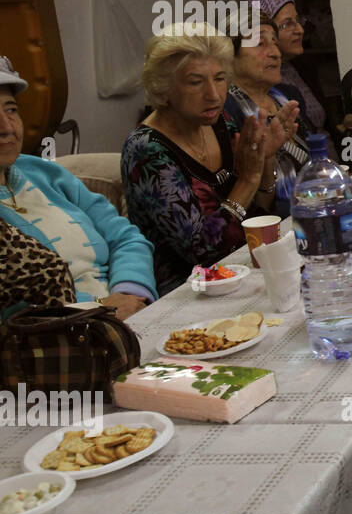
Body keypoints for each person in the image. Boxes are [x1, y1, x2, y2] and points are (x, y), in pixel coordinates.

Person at [122, 24, 293, 295]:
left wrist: (265, 160)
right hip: (188, 293)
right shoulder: (146, 150)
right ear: (163, 87)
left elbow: (256, 213)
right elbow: (204, 250)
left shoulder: (218, 122)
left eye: (220, 78)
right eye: (195, 82)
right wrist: (249, 178)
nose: (213, 94)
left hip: (241, 274)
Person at [0, 57, 156, 321]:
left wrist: (130, 292)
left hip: (129, 312)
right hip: (60, 340)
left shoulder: (44, 173)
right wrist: (100, 308)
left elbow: (126, 237)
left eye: (11, 110)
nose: (6, 128)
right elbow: (17, 308)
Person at [223, 14, 309, 218]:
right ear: (229, 56)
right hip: (270, 219)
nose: (275, 53)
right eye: (260, 43)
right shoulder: (225, 110)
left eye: (275, 43)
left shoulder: (288, 96)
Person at [249, 0, 330, 140]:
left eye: (298, 21)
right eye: (287, 25)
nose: (299, 30)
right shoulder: (261, 82)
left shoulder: (303, 65)